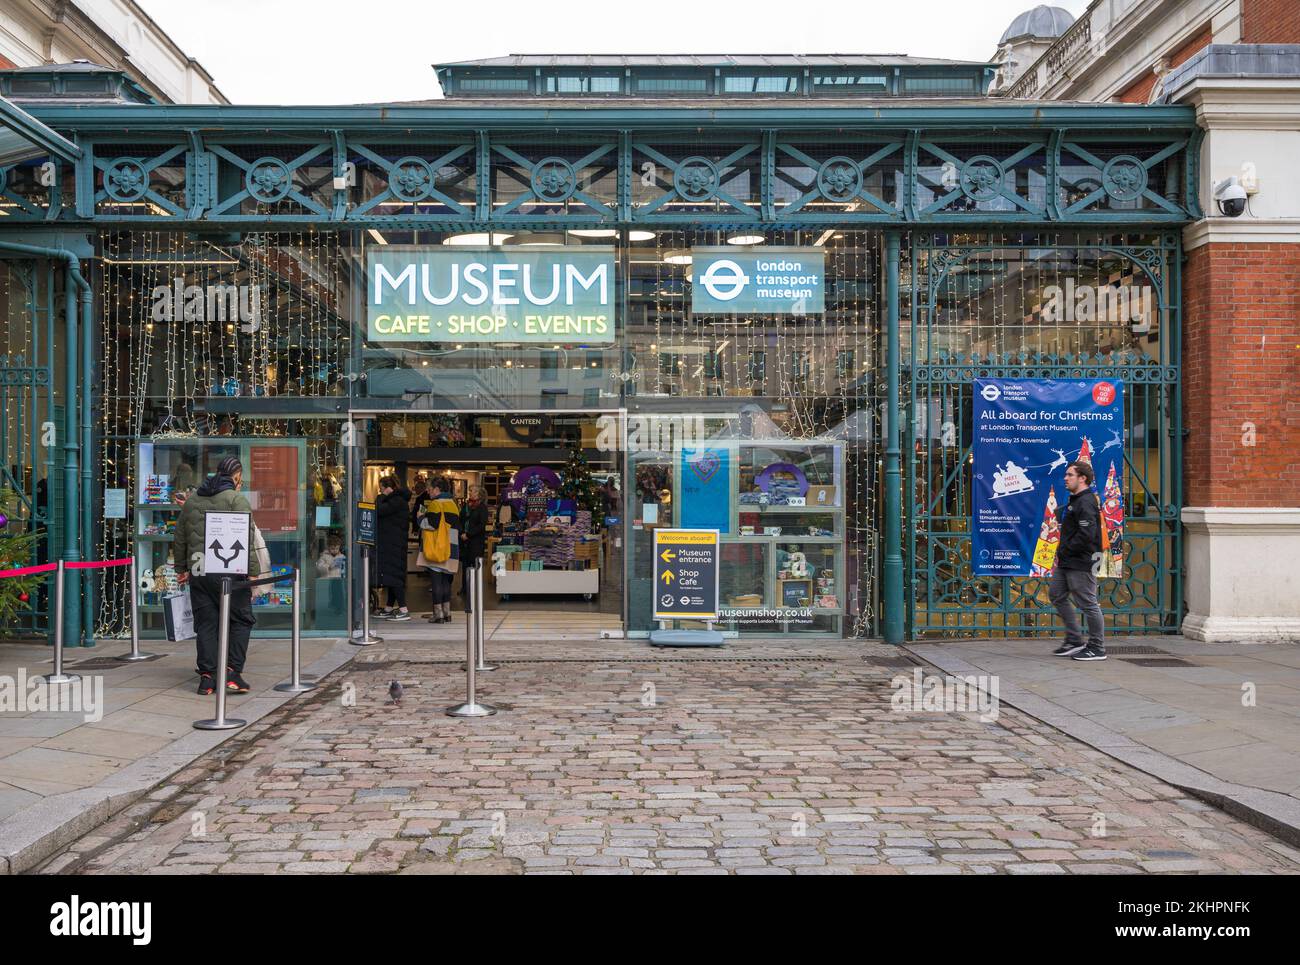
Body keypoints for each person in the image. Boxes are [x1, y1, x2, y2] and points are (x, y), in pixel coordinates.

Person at [173, 456, 262, 695]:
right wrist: (253, 573)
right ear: (236, 477)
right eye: (239, 479)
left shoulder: (192, 501)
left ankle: (207, 677)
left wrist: (181, 568)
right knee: (242, 619)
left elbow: (180, 536)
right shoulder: (236, 500)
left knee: (206, 624)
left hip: (199, 571)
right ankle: (233, 672)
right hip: (229, 571)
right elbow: (246, 540)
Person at [1050, 461, 1106, 661]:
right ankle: (1074, 640)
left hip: (1081, 561)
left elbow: (1087, 534)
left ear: (1082, 478)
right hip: (1067, 560)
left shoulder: (1086, 501)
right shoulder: (1075, 500)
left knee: (1088, 603)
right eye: (1066, 475)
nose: (1065, 478)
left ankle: (1097, 647)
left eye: (1070, 475)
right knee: (1056, 594)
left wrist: (1066, 549)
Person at [418, 478, 460, 623]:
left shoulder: (435, 504)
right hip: (452, 547)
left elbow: (431, 525)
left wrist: (420, 518)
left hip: (437, 547)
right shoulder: (453, 504)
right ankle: (447, 613)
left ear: (437, 489)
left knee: (436, 582)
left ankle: (438, 614)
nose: (428, 492)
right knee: (446, 582)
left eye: (429, 489)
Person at [375, 474, 412, 620]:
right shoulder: (398, 500)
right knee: (391, 576)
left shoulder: (396, 501)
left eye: (381, 489)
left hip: (393, 545)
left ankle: (403, 610)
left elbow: (378, 510)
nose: (380, 492)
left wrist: (379, 497)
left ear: (388, 488)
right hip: (394, 544)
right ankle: (389, 607)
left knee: (394, 577)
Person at [459, 485, 489, 606]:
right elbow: (460, 519)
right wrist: (462, 533)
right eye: (470, 491)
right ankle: (464, 588)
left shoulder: (482, 508)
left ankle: (475, 588)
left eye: (472, 491)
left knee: (475, 565)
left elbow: (481, 525)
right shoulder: (466, 506)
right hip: (464, 540)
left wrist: (469, 534)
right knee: (465, 565)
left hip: (476, 541)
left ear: (479, 494)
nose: (470, 492)